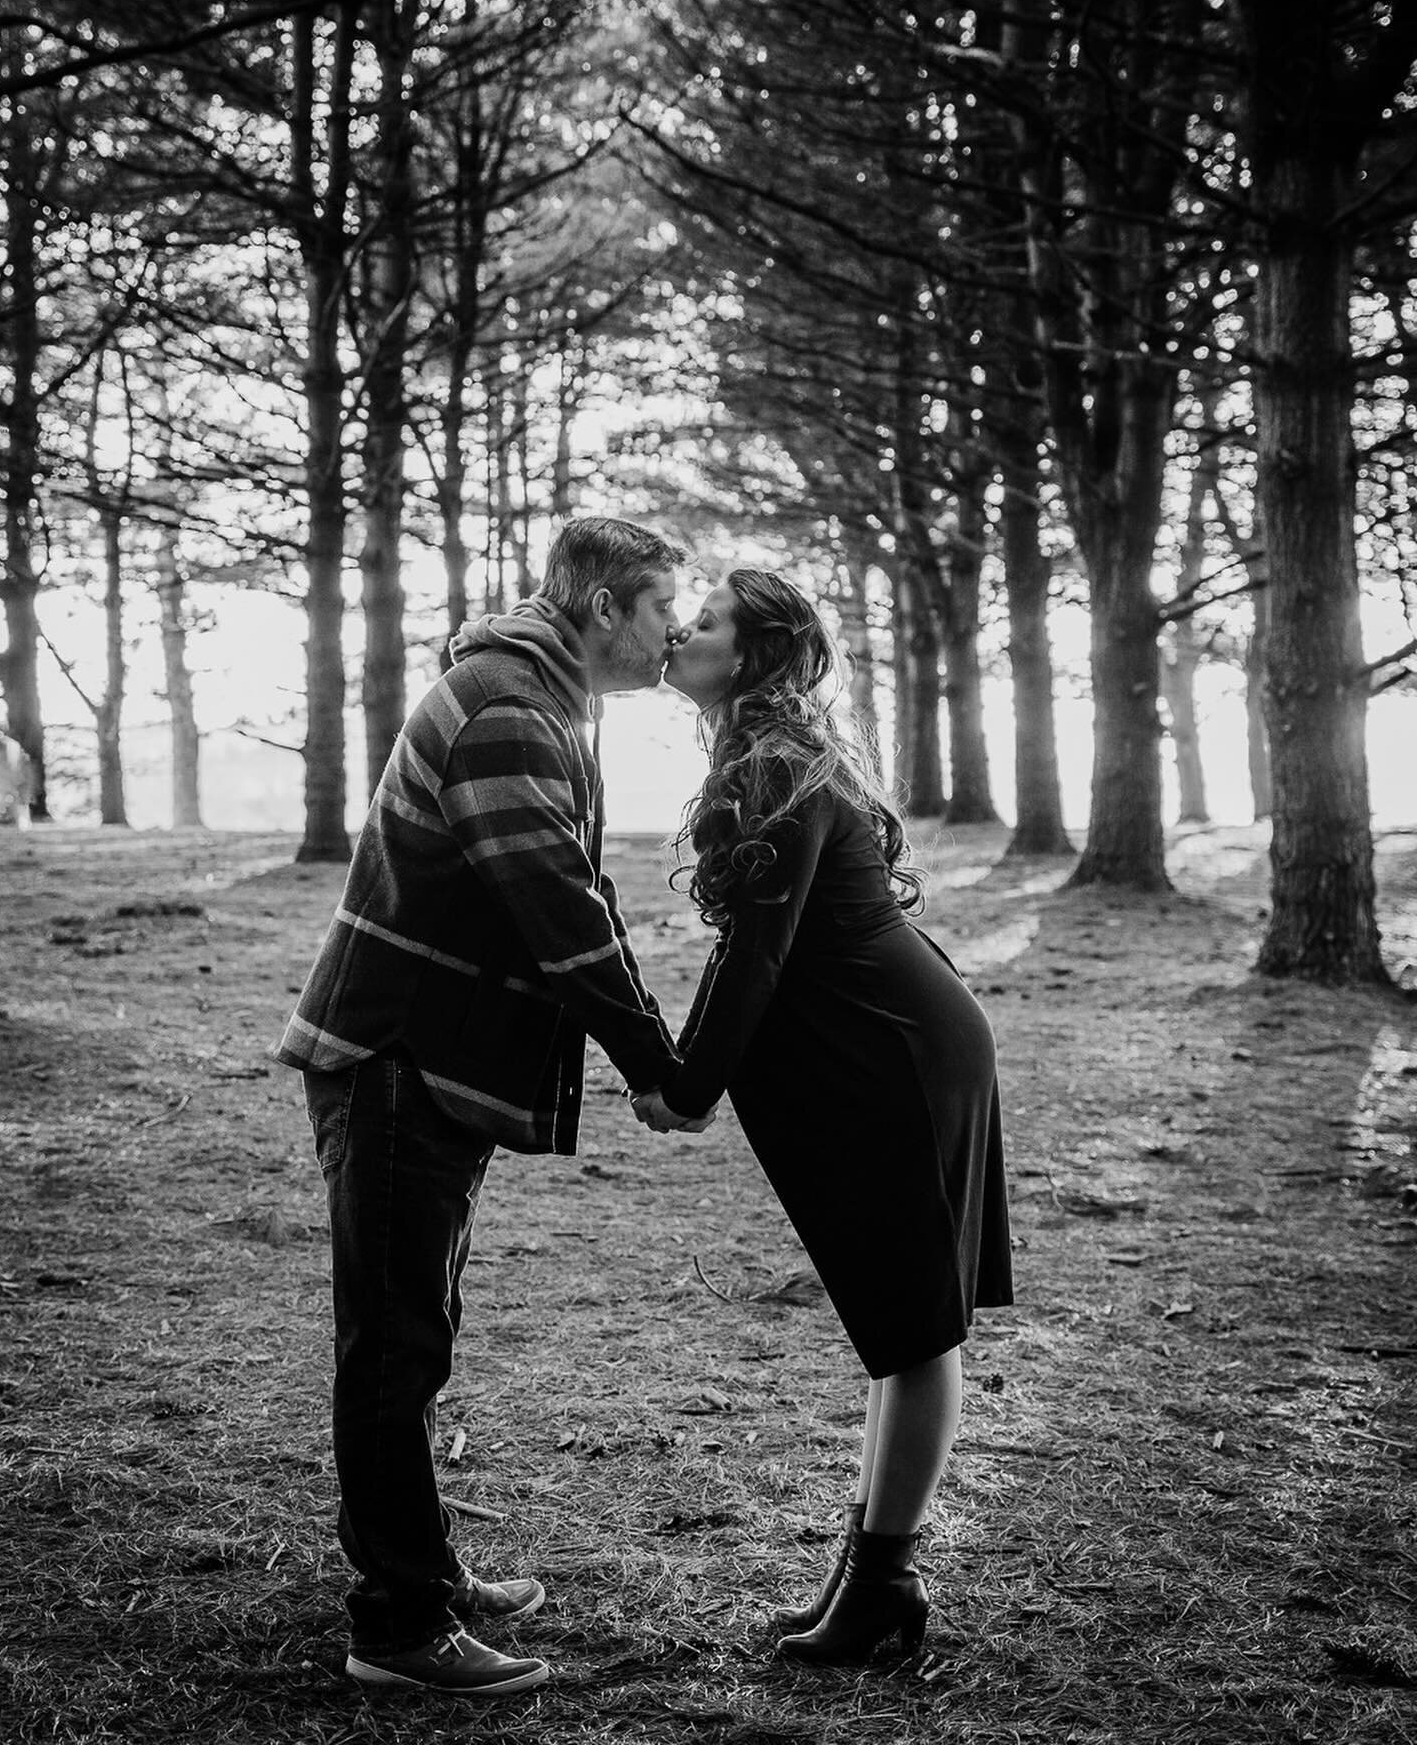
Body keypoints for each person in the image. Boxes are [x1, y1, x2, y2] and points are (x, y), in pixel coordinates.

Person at [275, 517, 706, 1696]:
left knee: (418, 1338)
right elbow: (558, 905)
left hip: (425, 1060)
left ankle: (420, 1573)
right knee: (392, 1348)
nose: (677, 632)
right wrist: (655, 1061)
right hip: (399, 1053)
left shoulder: (543, 696)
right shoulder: (513, 701)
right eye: (667, 606)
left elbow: (573, 887)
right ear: (608, 605)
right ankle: (399, 1628)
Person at [634, 567, 1013, 1668]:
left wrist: (684, 1087)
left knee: (913, 1328)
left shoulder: (775, 764)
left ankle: (881, 1589)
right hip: (881, 1042)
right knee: (898, 1329)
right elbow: (744, 945)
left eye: (703, 624)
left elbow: (760, 954)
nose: (682, 635)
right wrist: (684, 1073)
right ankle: (867, 1584)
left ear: (752, 657)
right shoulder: (763, 757)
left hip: (894, 1054)